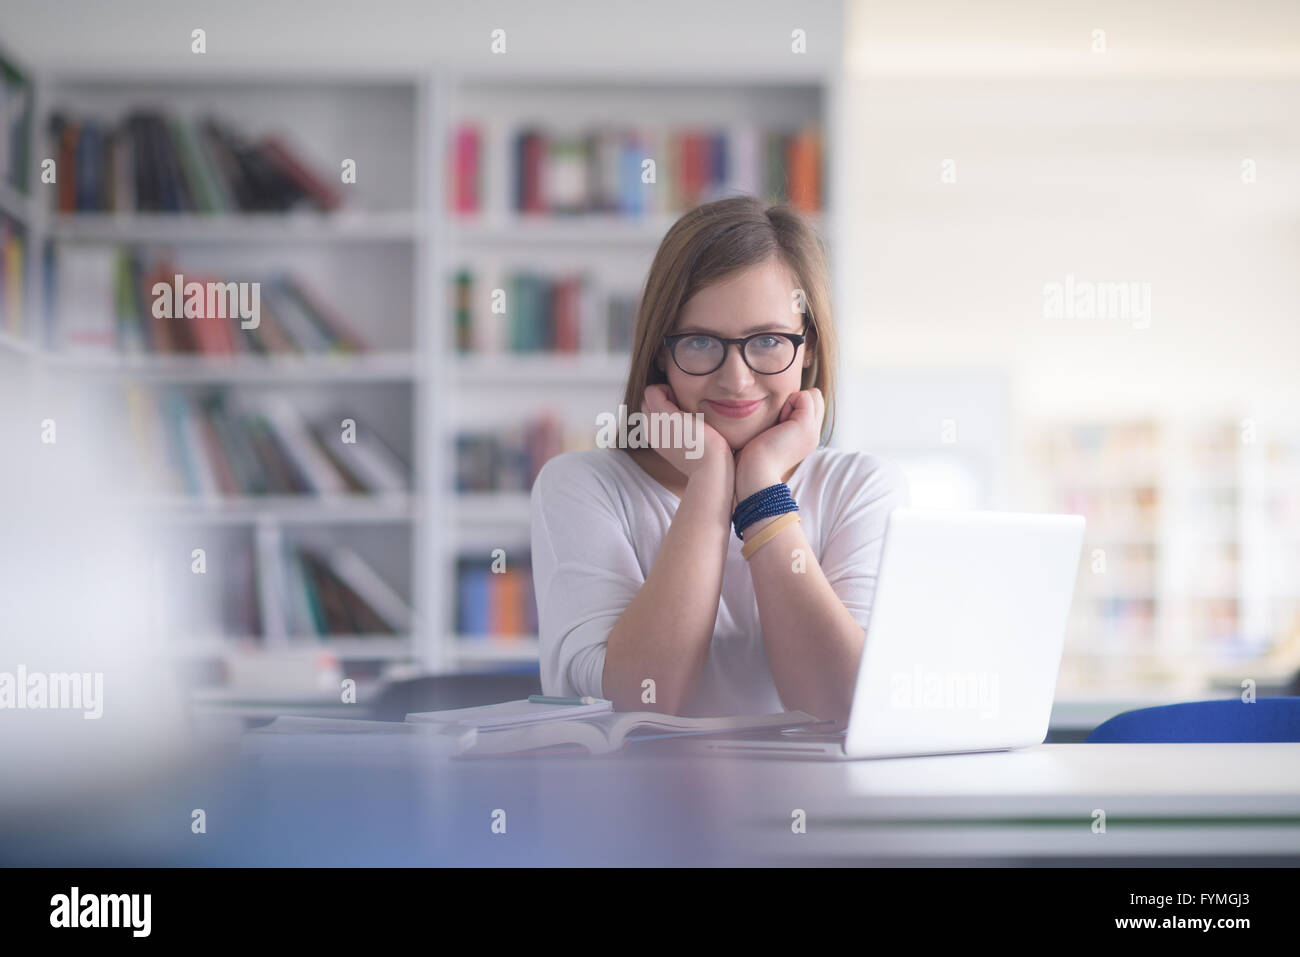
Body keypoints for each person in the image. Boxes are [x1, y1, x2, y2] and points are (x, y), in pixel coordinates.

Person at [530, 195, 909, 725]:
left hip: (813, 808)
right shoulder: (580, 486)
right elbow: (643, 699)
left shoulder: (861, 487)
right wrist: (710, 480)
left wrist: (760, 489)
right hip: (627, 808)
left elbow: (842, 707)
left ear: (811, 350)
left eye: (770, 341)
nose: (735, 379)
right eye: (702, 342)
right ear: (660, 352)